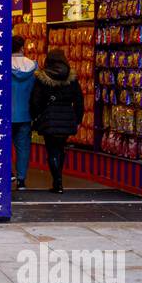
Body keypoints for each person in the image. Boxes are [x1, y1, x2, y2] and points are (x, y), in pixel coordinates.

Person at [30, 48, 84, 194]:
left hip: (49, 118)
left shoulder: (42, 78)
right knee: (60, 149)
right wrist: (78, 119)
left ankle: (57, 182)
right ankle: (59, 179)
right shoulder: (71, 78)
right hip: (67, 117)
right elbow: (79, 100)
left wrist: (36, 115)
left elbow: (36, 100)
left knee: (52, 150)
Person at [10, 35, 37, 190]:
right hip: (26, 113)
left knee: (4, 146)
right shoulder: (32, 66)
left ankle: (8, 173)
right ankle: (21, 180)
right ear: (22, 47)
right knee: (23, 147)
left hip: (6, 115)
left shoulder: (2, 66)